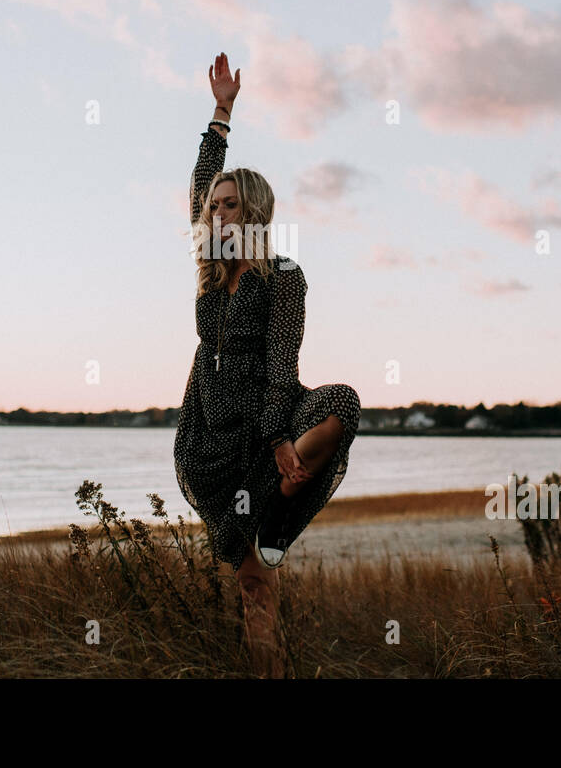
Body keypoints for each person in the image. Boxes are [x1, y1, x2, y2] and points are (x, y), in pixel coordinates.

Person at [172, 51, 361, 678]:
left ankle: (272, 510)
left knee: (343, 403)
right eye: (214, 206)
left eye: (228, 205)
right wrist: (222, 111)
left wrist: (280, 436)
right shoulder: (211, 266)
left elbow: (284, 361)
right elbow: (201, 180)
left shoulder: (284, 276)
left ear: (252, 211)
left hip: (265, 418)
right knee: (254, 582)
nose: (215, 211)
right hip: (208, 436)